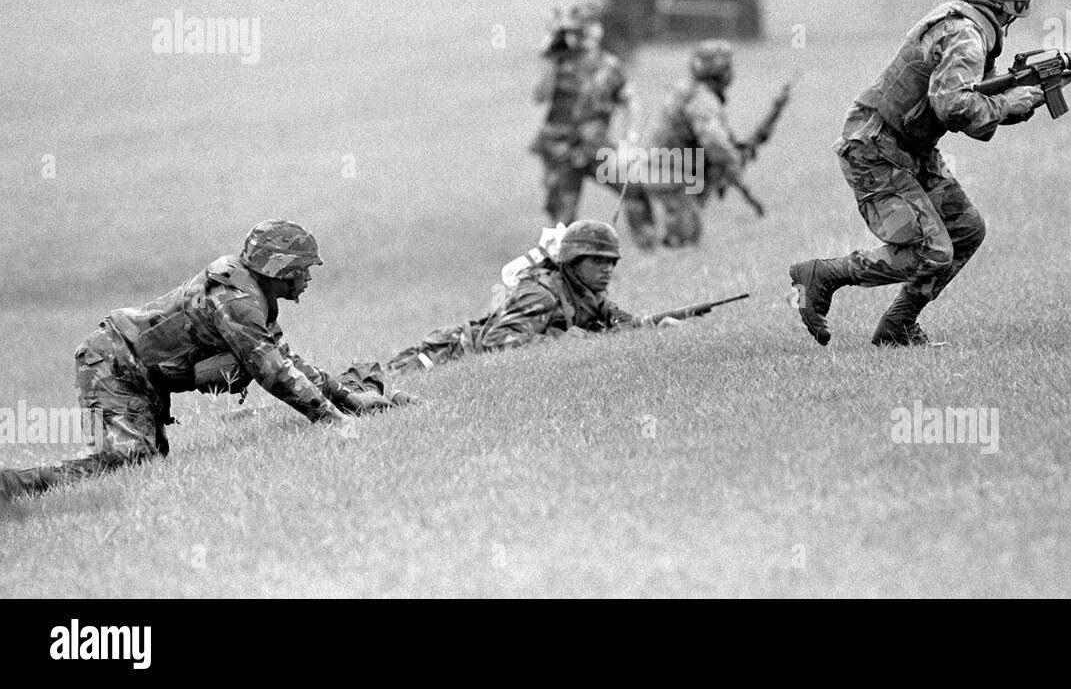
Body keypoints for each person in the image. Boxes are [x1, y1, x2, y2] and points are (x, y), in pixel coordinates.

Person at [0, 220, 404, 502]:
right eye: (301, 269)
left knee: (148, 464)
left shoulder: (252, 295)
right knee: (125, 463)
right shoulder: (237, 299)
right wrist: (334, 420)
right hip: (112, 365)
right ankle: (10, 489)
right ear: (278, 267)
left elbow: (284, 360)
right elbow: (274, 373)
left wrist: (349, 398)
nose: (307, 279)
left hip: (136, 373)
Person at [788, 0, 1044, 348]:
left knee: (966, 230)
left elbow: (974, 110)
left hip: (905, 148)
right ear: (1007, 8)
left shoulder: (961, 25)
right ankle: (824, 275)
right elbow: (954, 106)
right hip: (875, 149)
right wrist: (1010, 103)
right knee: (932, 251)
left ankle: (898, 325)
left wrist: (1023, 99)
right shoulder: (968, 37)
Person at [387, 220, 660, 372]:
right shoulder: (541, 293)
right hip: (441, 357)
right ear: (573, 262)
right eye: (598, 262)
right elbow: (495, 345)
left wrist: (651, 325)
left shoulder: (586, 292)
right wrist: (568, 339)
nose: (607, 269)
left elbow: (619, 321)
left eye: (612, 262)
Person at [620, 40, 745, 248]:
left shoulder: (685, 89)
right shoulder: (701, 97)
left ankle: (656, 248)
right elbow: (713, 141)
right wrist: (733, 161)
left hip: (658, 168)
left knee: (680, 233)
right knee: (685, 239)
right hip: (669, 173)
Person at [529, 3, 631, 225]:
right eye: (583, 26)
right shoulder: (560, 60)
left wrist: (627, 140)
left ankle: (653, 246)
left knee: (633, 190)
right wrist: (549, 56)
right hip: (561, 151)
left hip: (596, 149)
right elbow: (540, 95)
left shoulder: (610, 65)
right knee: (561, 216)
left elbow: (629, 102)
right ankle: (562, 256)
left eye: (592, 24)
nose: (588, 31)